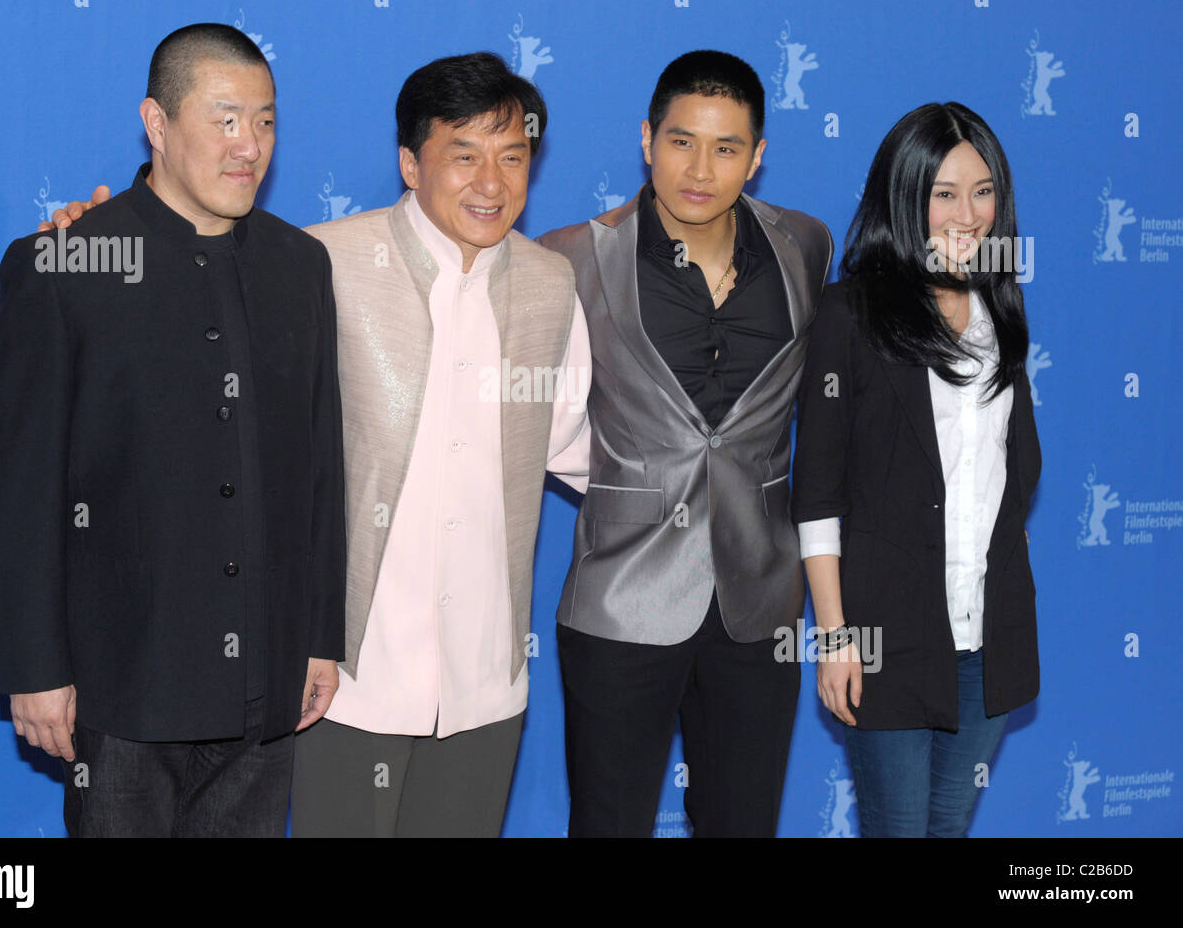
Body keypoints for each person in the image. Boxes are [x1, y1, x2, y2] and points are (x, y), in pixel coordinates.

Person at [0, 22, 346, 837]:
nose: (249, 145)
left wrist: (320, 636)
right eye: (224, 119)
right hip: (121, 693)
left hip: (265, 682)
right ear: (157, 124)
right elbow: (18, 487)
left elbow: (321, 468)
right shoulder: (64, 264)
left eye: (266, 120)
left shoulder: (300, 265)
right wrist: (33, 669)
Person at [290, 52, 591, 837]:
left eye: (513, 156)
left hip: (485, 678)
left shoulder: (551, 283)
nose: (491, 183)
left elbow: (581, 447)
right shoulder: (320, 262)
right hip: (344, 678)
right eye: (464, 155)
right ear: (409, 162)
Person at [538, 50, 832, 837]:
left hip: (760, 596)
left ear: (757, 156)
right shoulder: (572, 256)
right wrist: (620, 483)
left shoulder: (804, 245)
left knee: (743, 823)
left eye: (726, 147)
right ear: (646, 139)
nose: (700, 169)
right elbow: (544, 415)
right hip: (622, 595)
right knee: (610, 823)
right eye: (680, 141)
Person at [790, 101, 1041, 837]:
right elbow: (818, 496)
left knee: (947, 828)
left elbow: (1006, 470)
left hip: (986, 635)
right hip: (885, 636)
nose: (969, 215)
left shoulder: (1002, 311)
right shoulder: (850, 313)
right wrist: (833, 636)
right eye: (945, 194)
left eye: (984, 191)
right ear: (906, 198)